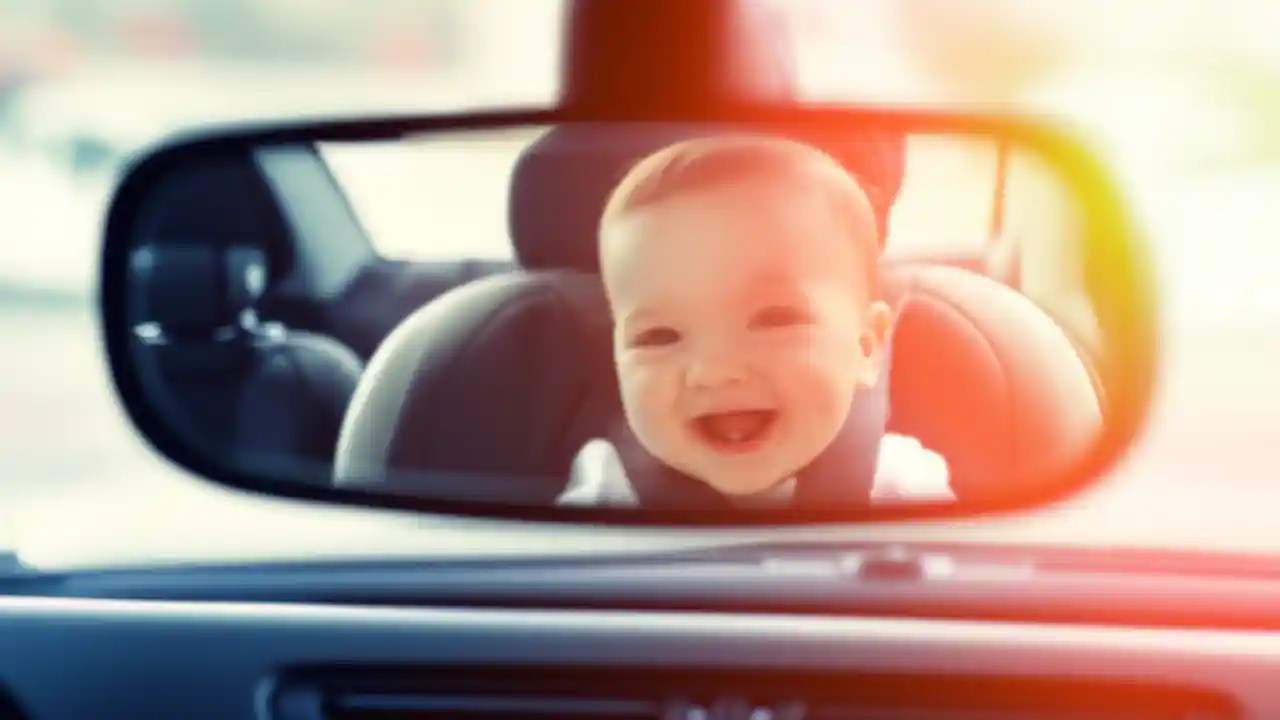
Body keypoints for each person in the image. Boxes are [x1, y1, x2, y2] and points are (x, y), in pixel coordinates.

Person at [558, 134, 953, 508]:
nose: (715, 371)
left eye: (775, 320)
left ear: (866, 347)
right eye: (658, 336)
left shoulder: (902, 487)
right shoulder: (607, 489)